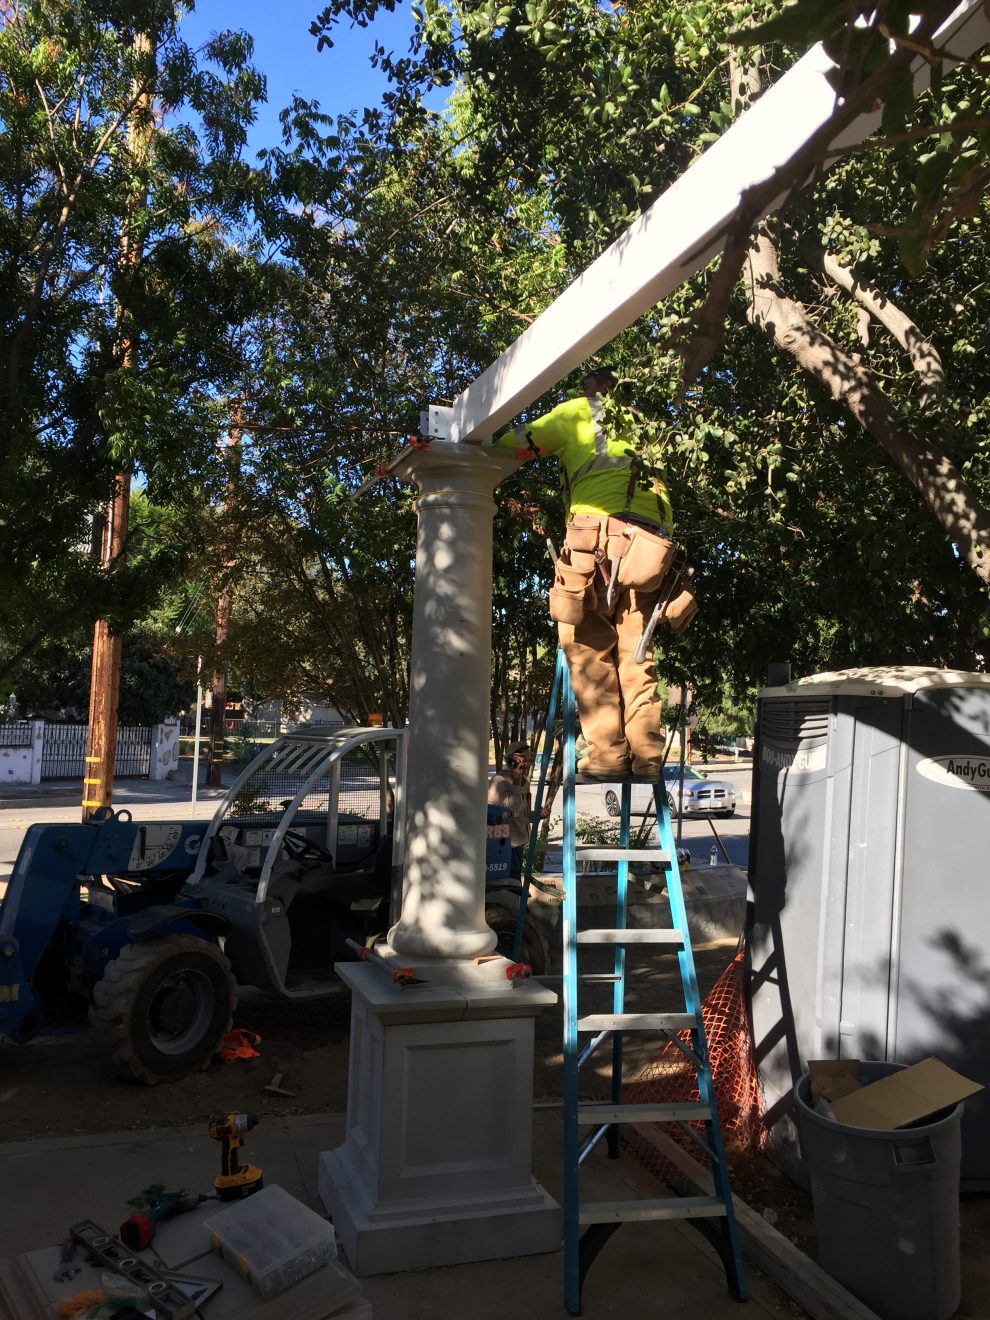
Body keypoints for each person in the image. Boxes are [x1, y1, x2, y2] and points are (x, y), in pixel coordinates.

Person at [492, 367, 675, 778]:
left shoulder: (578, 412)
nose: (582, 391)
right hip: (651, 549)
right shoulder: (643, 426)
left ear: (595, 388)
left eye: (586, 386)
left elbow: (514, 442)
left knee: (587, 644)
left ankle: (608, 756)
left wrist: (477, 439)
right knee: (636, 653)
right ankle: (647, 759)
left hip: (598, 539)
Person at [487, 743, 549, 878]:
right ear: (512, 761)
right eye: (522, 759)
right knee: (509, 885)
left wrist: (537, 815)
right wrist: (516, 782)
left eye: (527, 759)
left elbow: (522, 814)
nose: (526, 763)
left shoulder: (523, 781)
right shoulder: (500, 782)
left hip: (518, 844)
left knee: (514, 882)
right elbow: (510, 811)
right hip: (504, 845)